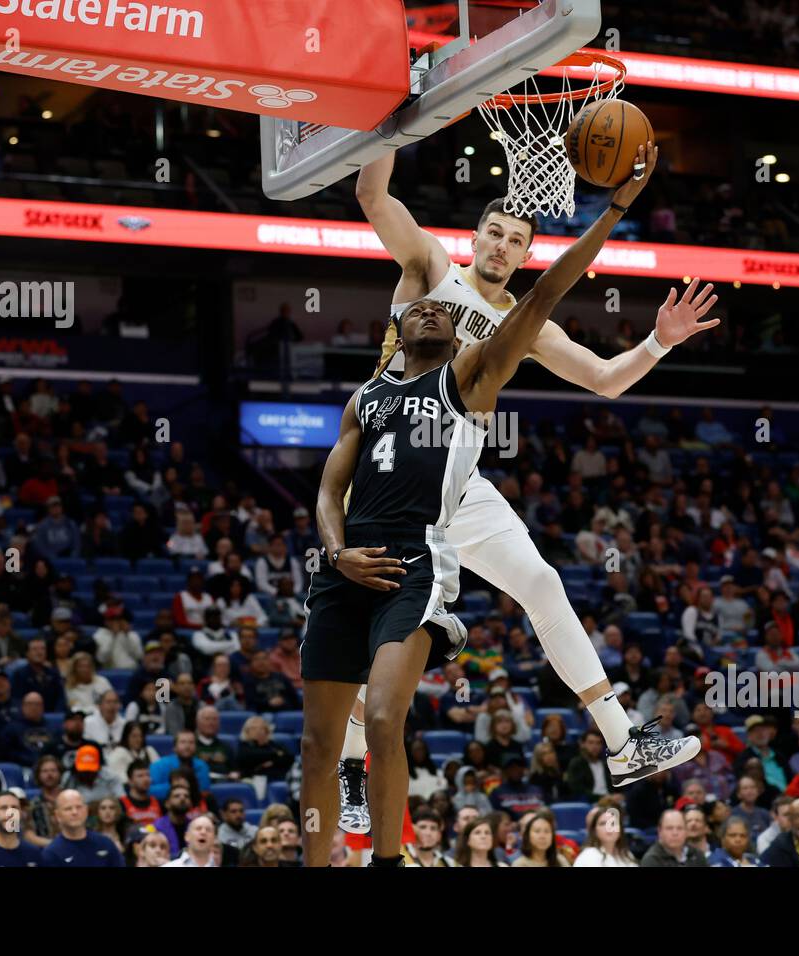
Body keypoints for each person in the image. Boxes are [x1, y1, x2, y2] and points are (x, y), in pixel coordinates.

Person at [300, 154, 711, 867]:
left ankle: (620, 741)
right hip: (392, 467)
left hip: (460, 479)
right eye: (491, 231)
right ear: (474, 235)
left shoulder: (529, 325)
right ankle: (350, 767)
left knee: (543, 584)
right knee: (370, 644)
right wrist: (402, 121)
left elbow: (608, 380)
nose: (499, 245)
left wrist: (658, 342)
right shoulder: (431, 268)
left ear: (525, 253)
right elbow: (372, 191)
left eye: (514, 239)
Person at [40, 789, 124, 867]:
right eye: (68, 809)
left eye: (79, 807)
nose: (75, 812)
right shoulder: (51, 853)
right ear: (57, 815)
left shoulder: (105, 843)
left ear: (86, 810)